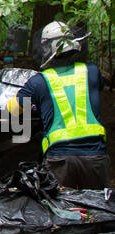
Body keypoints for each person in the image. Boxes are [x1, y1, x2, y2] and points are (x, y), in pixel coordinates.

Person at [9, 22, 109, 190]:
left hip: (59, 158)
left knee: (59, 211)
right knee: (99, 210)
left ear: (48, 48)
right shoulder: (91, 71)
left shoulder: (38, 81)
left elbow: (13, 109)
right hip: (95, 156)